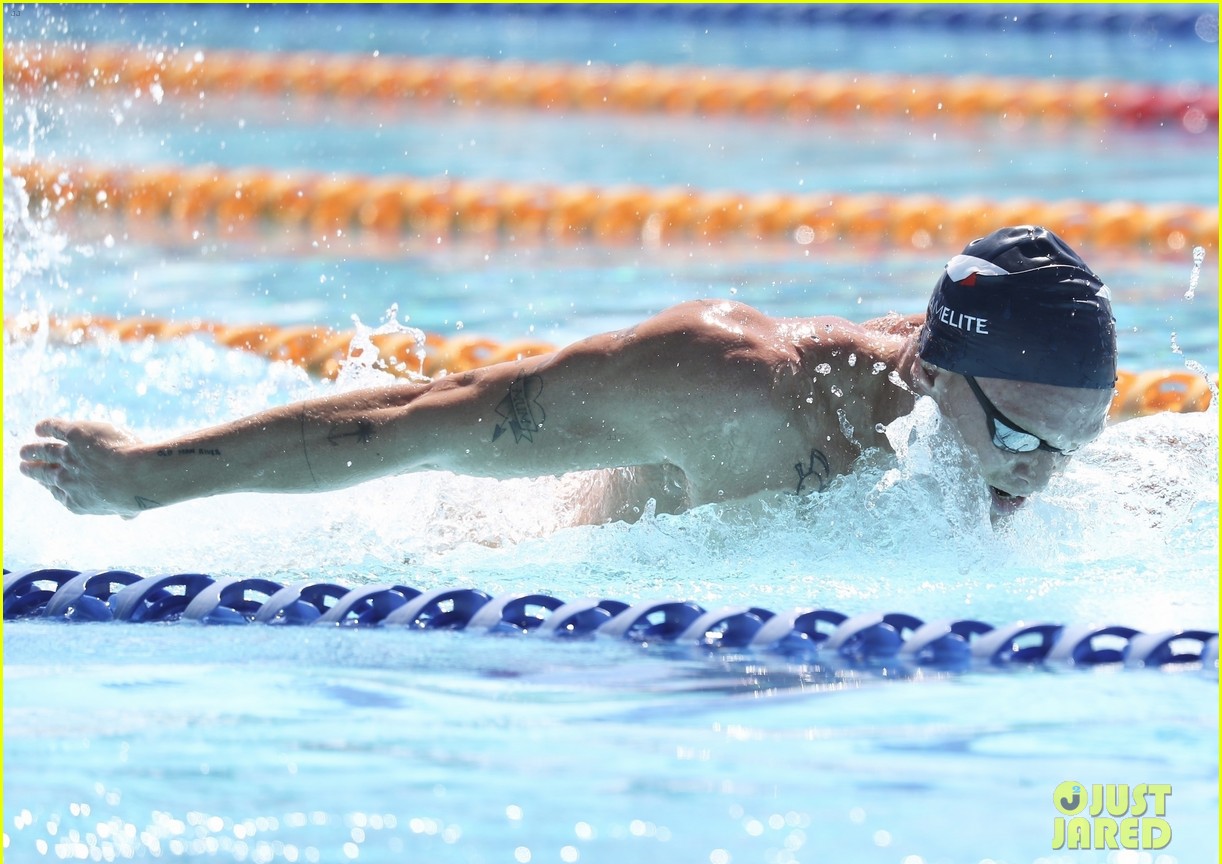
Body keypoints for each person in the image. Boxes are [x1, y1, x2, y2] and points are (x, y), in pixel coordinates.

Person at [19, 225, 1117, 526]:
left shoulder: (972, 434)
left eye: (1074, 446)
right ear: (933, 372)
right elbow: (421, 418)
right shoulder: (728, 385)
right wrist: (147, 475)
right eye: (1021, 440)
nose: (1039, 481)